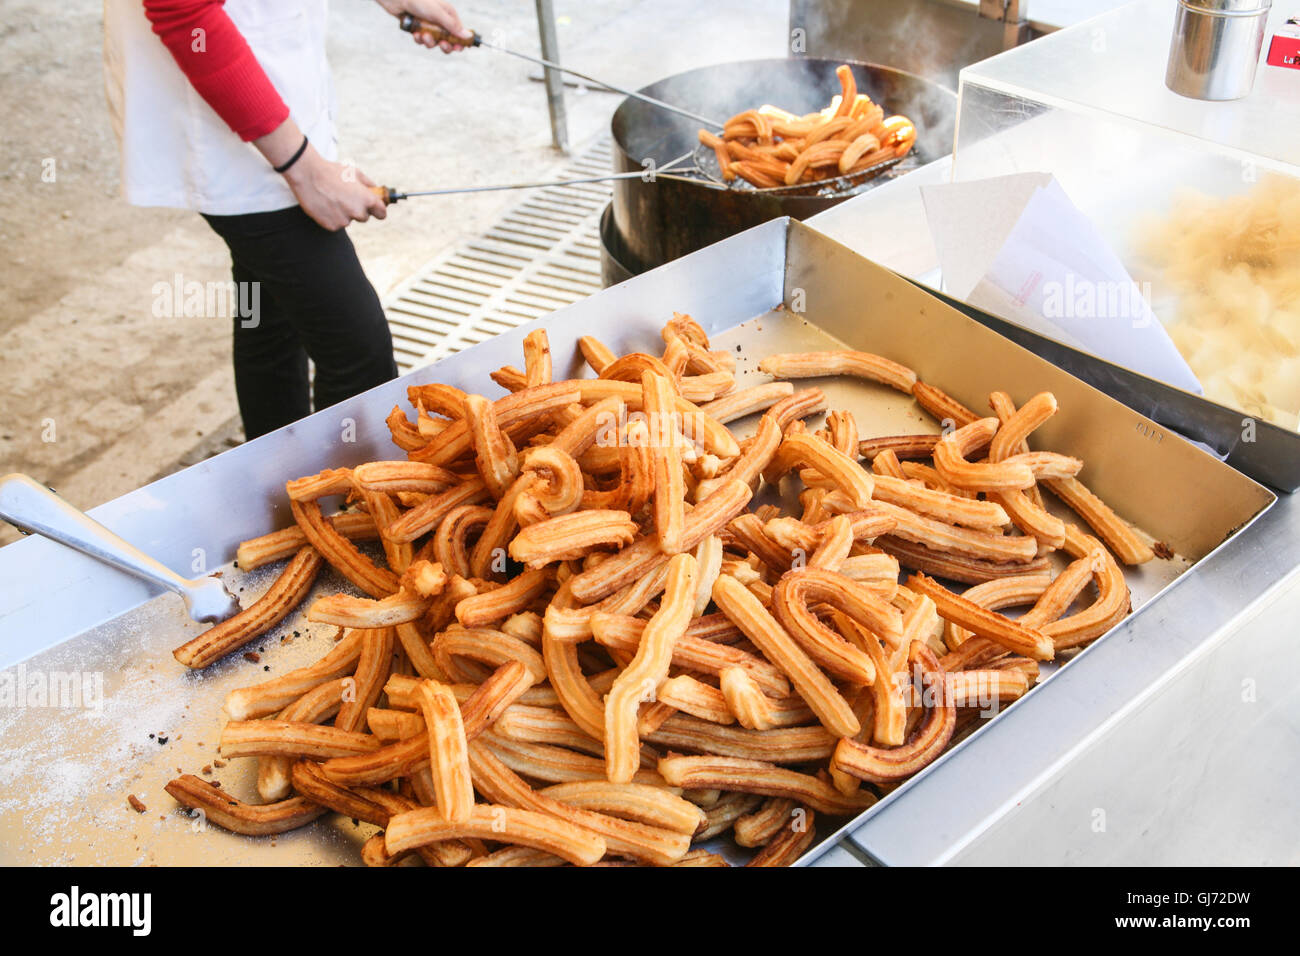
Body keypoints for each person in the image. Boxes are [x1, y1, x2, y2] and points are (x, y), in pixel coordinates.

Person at [102, 1, 472, 439]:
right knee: (358, 353)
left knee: (269, 317)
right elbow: (184, 11)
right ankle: (340, 504)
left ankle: (279, 492)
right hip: (229, 119)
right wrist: (304, 169)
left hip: (263, 94)